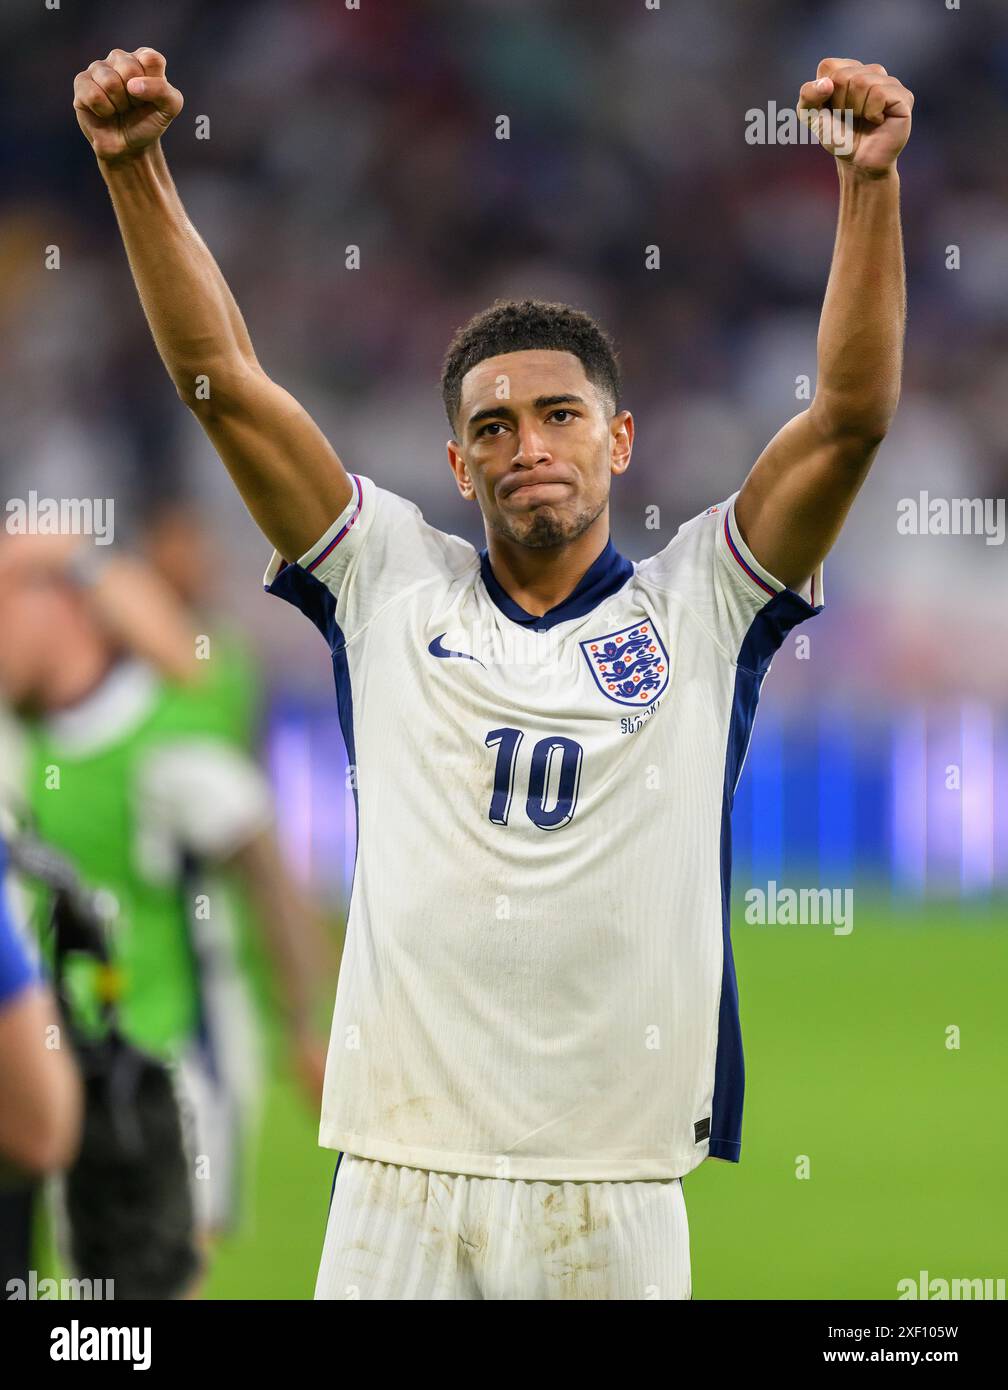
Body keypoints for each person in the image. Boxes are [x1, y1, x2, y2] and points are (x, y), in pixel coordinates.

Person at [73, 47, 911, 1299]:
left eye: (562, 415)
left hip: (614, 1187)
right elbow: (227, 389)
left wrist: (869, 188)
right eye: (494, 427)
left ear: (620, 439)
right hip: (398, 1177)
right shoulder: (388, 583)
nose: (530, 446)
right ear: (458, 467)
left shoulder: (708, 599)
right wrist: (135, 167)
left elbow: (847, 418)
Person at [0, 541, 330, 1266]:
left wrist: (306, 1025)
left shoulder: (167, 736)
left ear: (64, 609)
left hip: (170, 1077)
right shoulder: (19, 743)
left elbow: (269, 871)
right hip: (44, 1064)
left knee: (140, 1298)